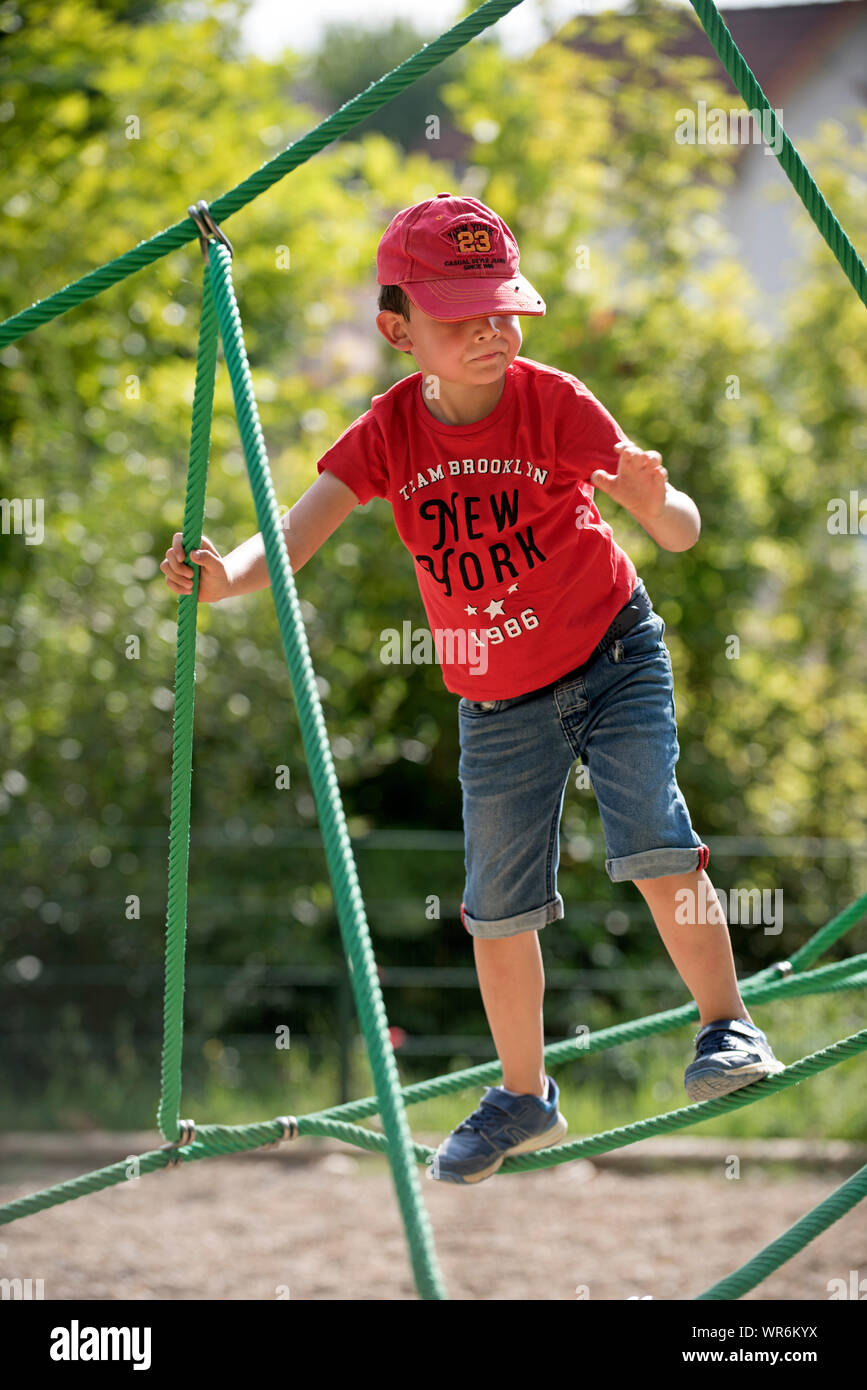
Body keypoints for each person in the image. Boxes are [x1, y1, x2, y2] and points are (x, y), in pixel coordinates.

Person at [161, 192, 785, 1186]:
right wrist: (223, 576)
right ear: (397, 329)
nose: (493, 331)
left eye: (504, 309)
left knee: (657, 843)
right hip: (497, 700)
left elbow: (679, 532)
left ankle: (728, 1028)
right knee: (497, 911)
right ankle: (523, 1094)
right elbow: (291, 540)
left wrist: (655, 497)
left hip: (613, 656)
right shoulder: (388, 435)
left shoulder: (558, 403)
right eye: (463, 315)